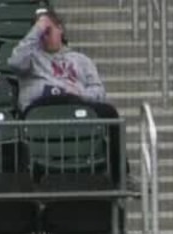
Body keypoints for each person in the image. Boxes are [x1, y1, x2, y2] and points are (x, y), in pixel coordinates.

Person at [8, 13, 124, 180]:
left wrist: (81, 94)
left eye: (48, 31)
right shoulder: (30, 59)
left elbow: (99, 92)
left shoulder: (81, 60)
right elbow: (14, 62)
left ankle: (119, 176)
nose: (44, 37)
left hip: (76, 103)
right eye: (41, 34)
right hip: (43, 107)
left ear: (60, 29)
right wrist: (38, 29)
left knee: (110, 112)